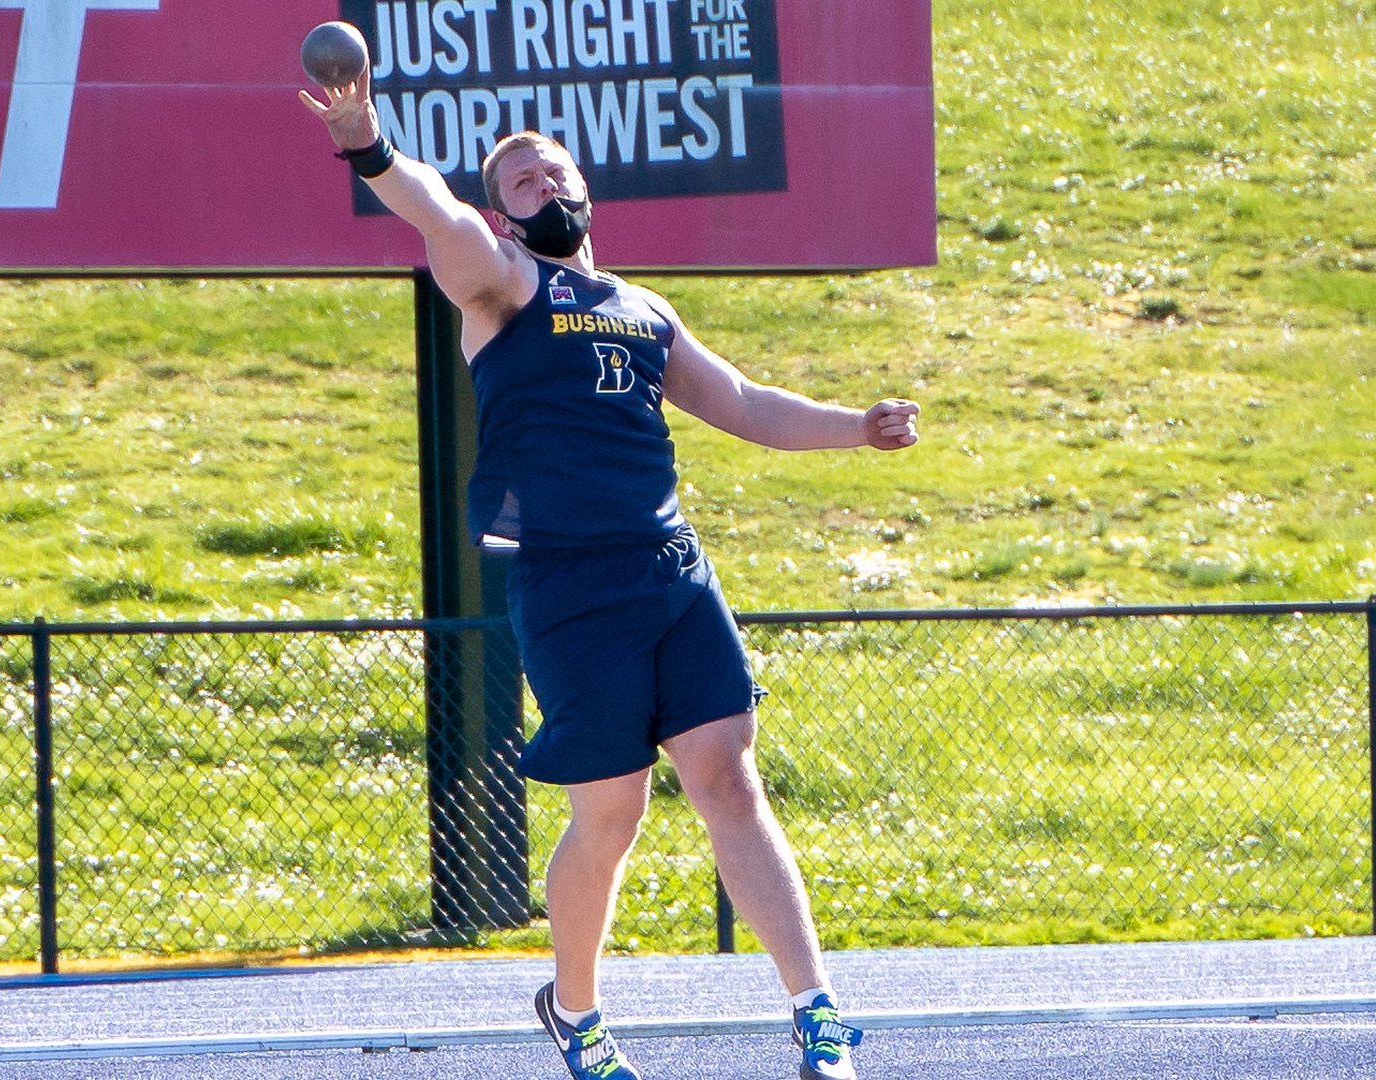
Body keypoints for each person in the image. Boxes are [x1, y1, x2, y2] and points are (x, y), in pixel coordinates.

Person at [302, 67, 918, 1080]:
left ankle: (818, 1017)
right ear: (504, 210)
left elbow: (745, 404)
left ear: (587, 186)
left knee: (727, 776)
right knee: (612, 814)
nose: (542, 184)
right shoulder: (497, 280)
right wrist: (367, 146)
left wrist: (855, 429)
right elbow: (437, 213)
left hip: (672, 572)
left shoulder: (644, 309)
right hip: (570, 587)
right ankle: (578, 1016)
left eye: (553, 170)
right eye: (522, 181)